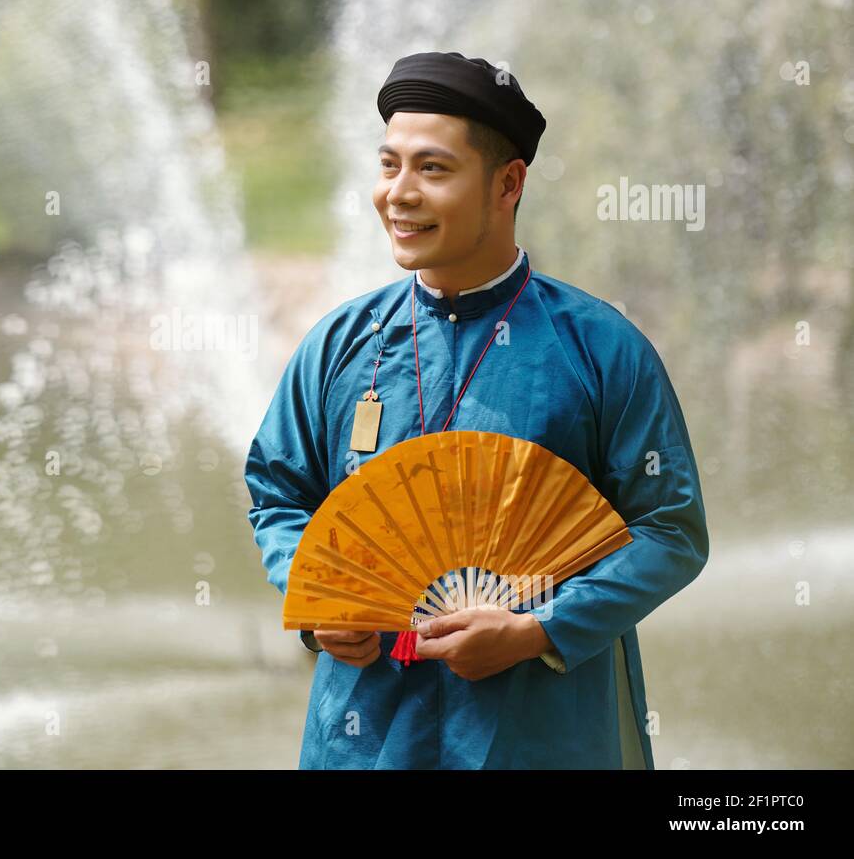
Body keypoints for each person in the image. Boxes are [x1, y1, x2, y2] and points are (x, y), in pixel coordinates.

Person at [243, 51, 710, 769]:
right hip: (362, 732)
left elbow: (669, 531)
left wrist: (538, 629)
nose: (398, 194)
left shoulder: (601, 349)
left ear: (508, 183)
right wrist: (321, 608)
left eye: (432, 169)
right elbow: (279, 493)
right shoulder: (339, 345)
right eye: (389, 165)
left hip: (540, 731)